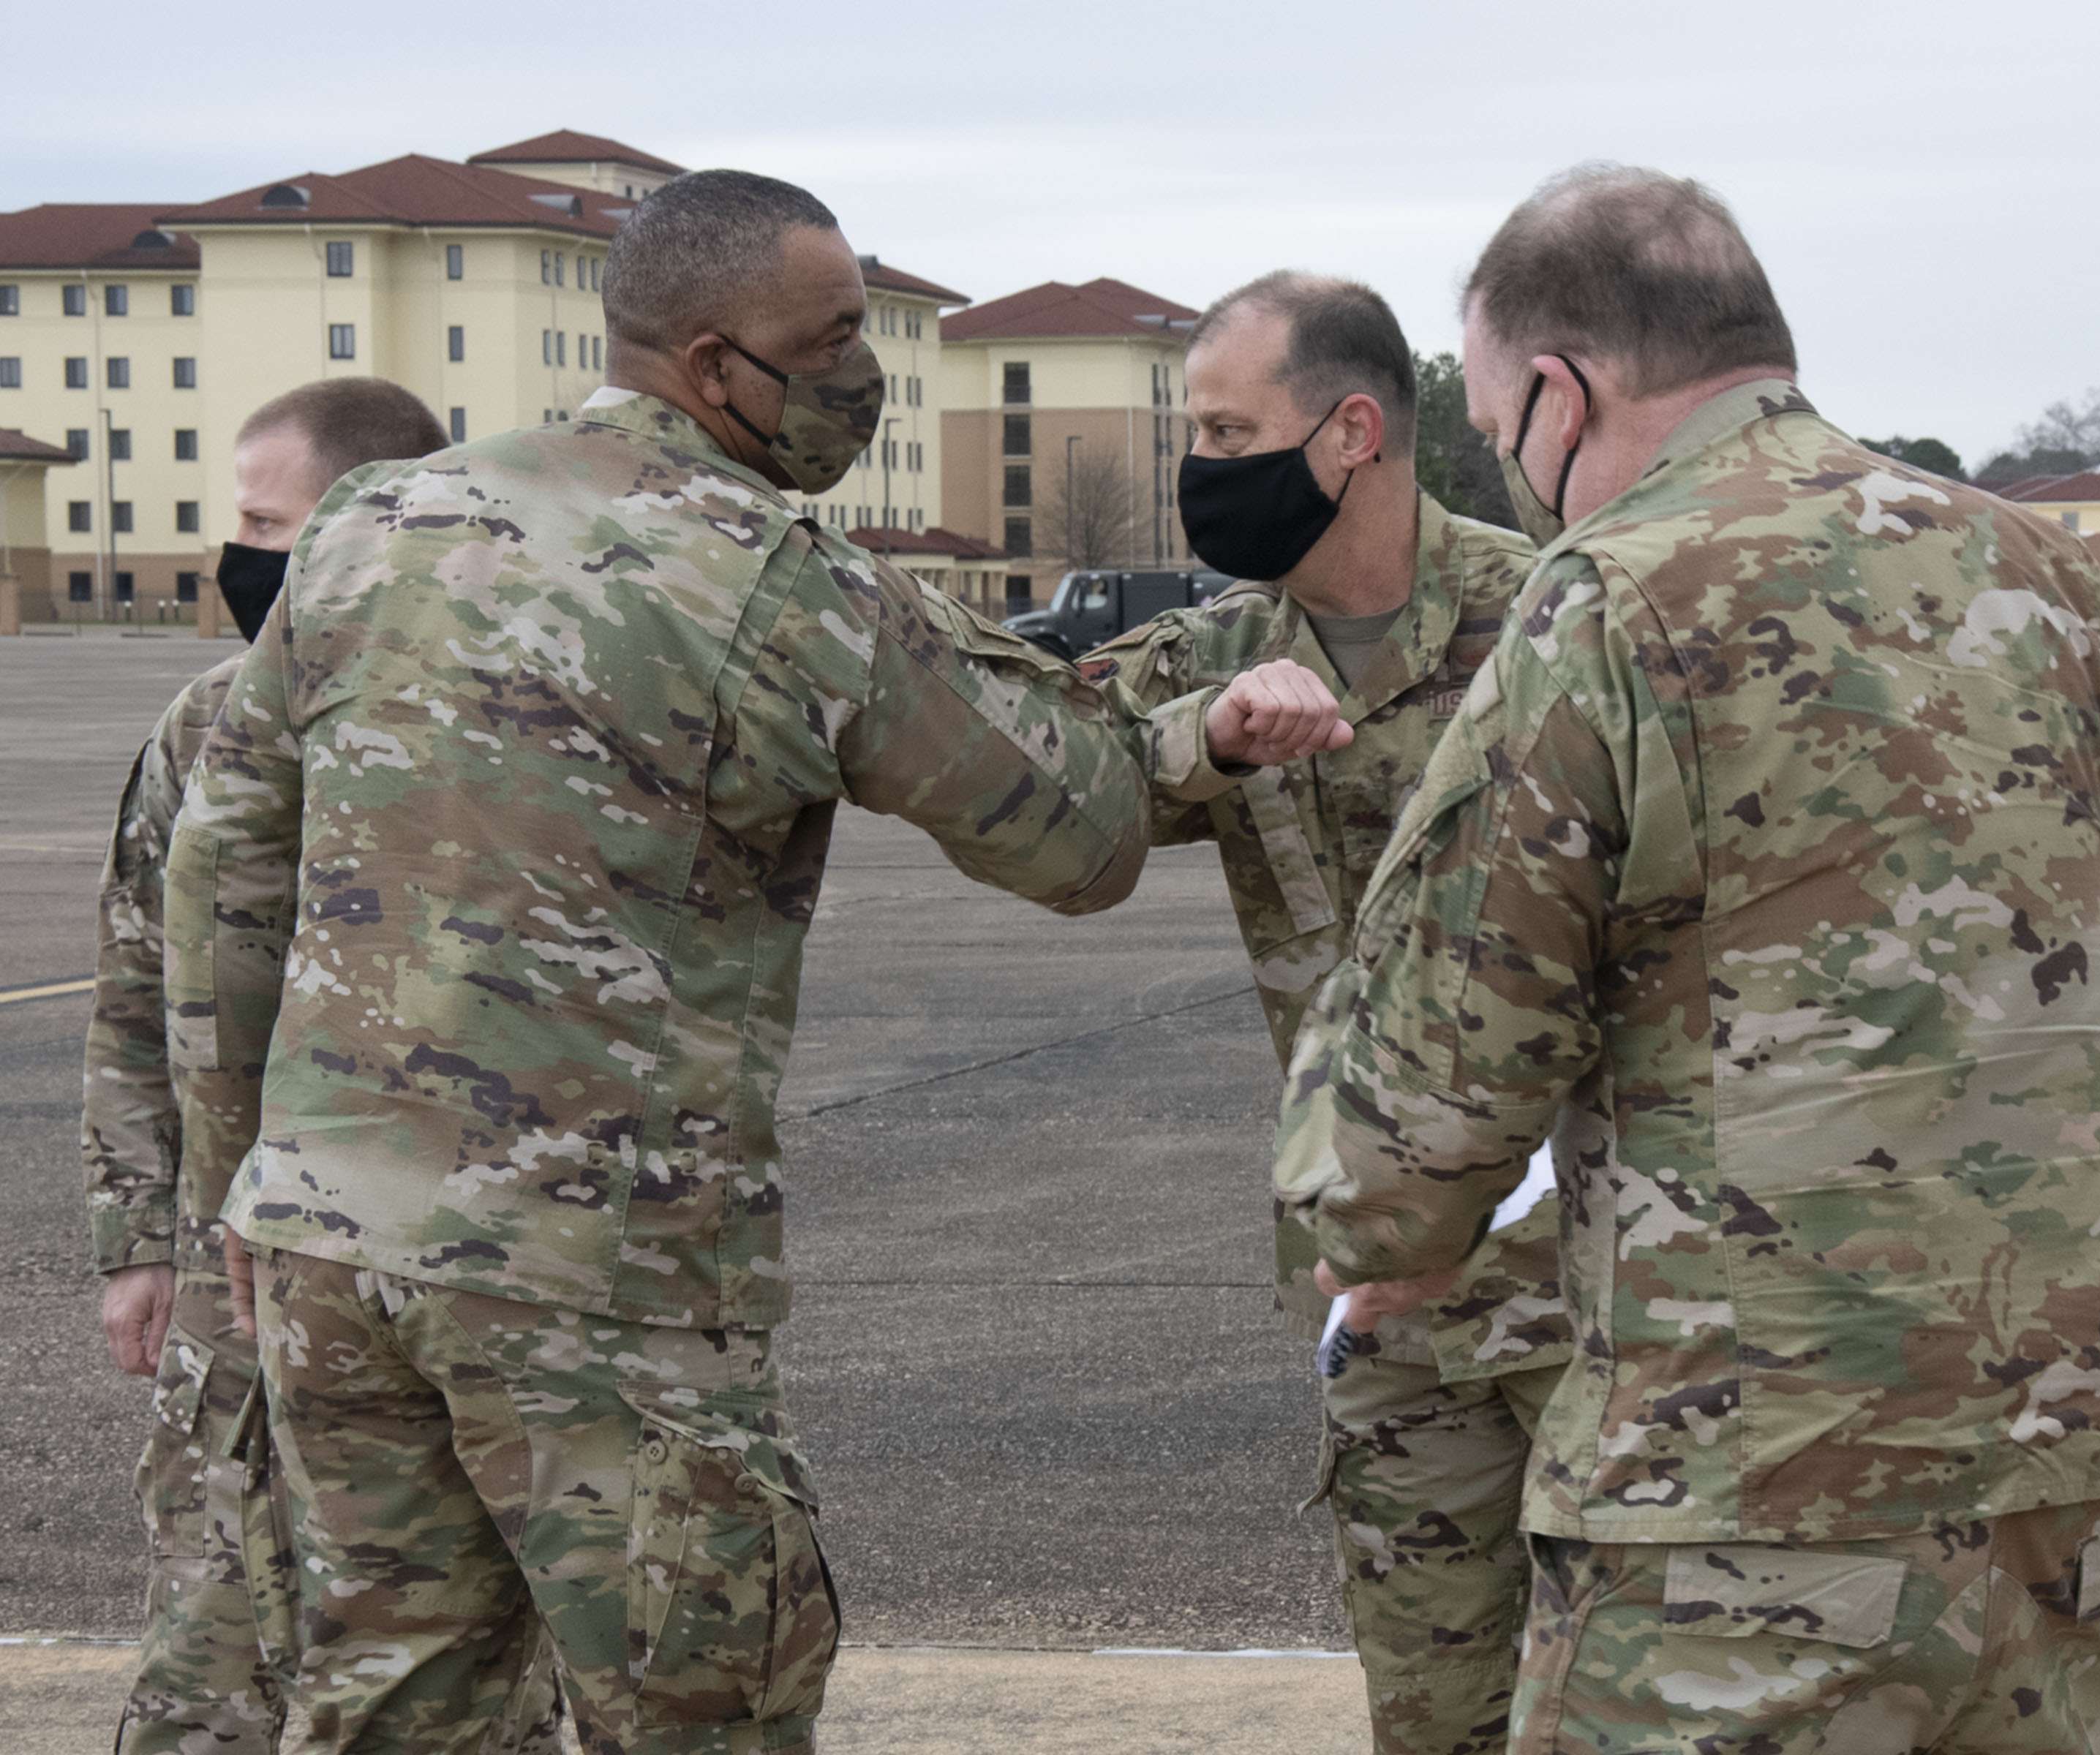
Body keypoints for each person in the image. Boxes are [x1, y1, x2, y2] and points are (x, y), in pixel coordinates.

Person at [164, 169, 1337, 1754]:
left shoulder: (374, 524)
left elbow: (226, 876)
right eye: (834, 336)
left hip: (326, 1259)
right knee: (701, 1702)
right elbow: (1068, 833)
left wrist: (237, 1191)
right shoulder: (774, 573)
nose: (864, 369)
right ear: (716, 366)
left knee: (388, 1699)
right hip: (595, 1279)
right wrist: (1206, 731)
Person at [1275, 162, 2100, 1754]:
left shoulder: (1604, 599)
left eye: (1499, 432)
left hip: (1746, 1496)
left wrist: (1364, 1230)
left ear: (1560, 394)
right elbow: (2065, 930)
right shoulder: (2038, 573)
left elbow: (1427, 1095)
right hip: (2054, 1464)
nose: (1515, 480)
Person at [1081, 271, 1568, 1755]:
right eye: (1195, 432)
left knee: (1646, 1698)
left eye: (1230, 433)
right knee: (1432, 1708)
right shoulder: (1217, 655)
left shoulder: (1556, 618)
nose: (1202, 467)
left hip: (1594, 1278)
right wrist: (1208, 740)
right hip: (1378, 1273)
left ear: (1352, 432)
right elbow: (1048, 801)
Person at [83, 378, 573, 1754]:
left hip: (428, 1272)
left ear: (371, 523)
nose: (235, 555)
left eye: (264, 524)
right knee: (212, 1647)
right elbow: (135, 988)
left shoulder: (503, 717)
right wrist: (139, 1241)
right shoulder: (202, 725)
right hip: (229, 1285)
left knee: (445, 1656)